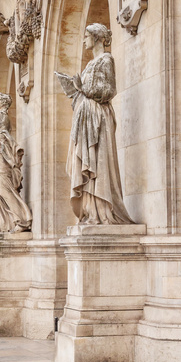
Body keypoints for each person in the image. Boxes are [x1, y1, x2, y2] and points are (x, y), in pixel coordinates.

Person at [57, 23, 134, 224]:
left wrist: (84, 88)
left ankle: (101, 211)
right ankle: (91, 211)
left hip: (98, 119)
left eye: (86, 36)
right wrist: (75, 90)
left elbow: (108, 89)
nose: (84, 40)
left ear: (97, 38)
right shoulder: (90, 64)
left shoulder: (106, 60)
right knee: (86, 163)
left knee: (97, 163)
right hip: (85, 119)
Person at [0, 93, 32, 232]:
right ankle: (3, 222)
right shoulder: (5, 119)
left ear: (4, 103)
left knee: (4, 189)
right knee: (0, 189)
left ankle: (22, 219)